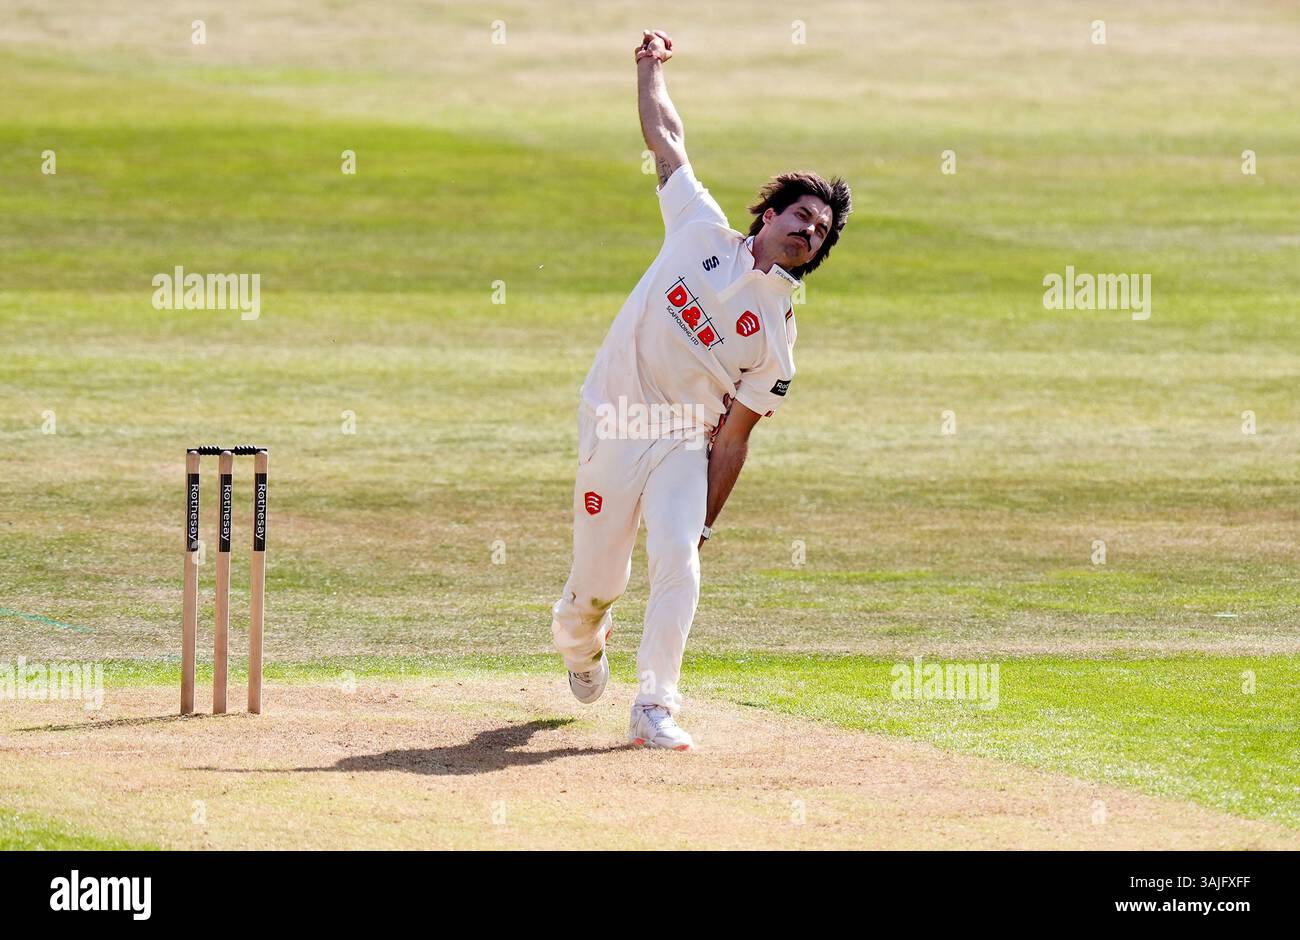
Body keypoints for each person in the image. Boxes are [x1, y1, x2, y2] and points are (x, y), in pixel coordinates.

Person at [550, 28, 852, 750]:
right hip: (613, 422)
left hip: (684, 444)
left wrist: (705, 522)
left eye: (822, 231)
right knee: (592, 592)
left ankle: (655, 703)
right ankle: (581, 646)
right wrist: (649, 66)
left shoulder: (777, 339)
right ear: (769, 215)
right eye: (801, 216)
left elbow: (735, 439)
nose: (809, 231)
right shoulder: (698, 229)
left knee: (677, 560)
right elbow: (666, 139)